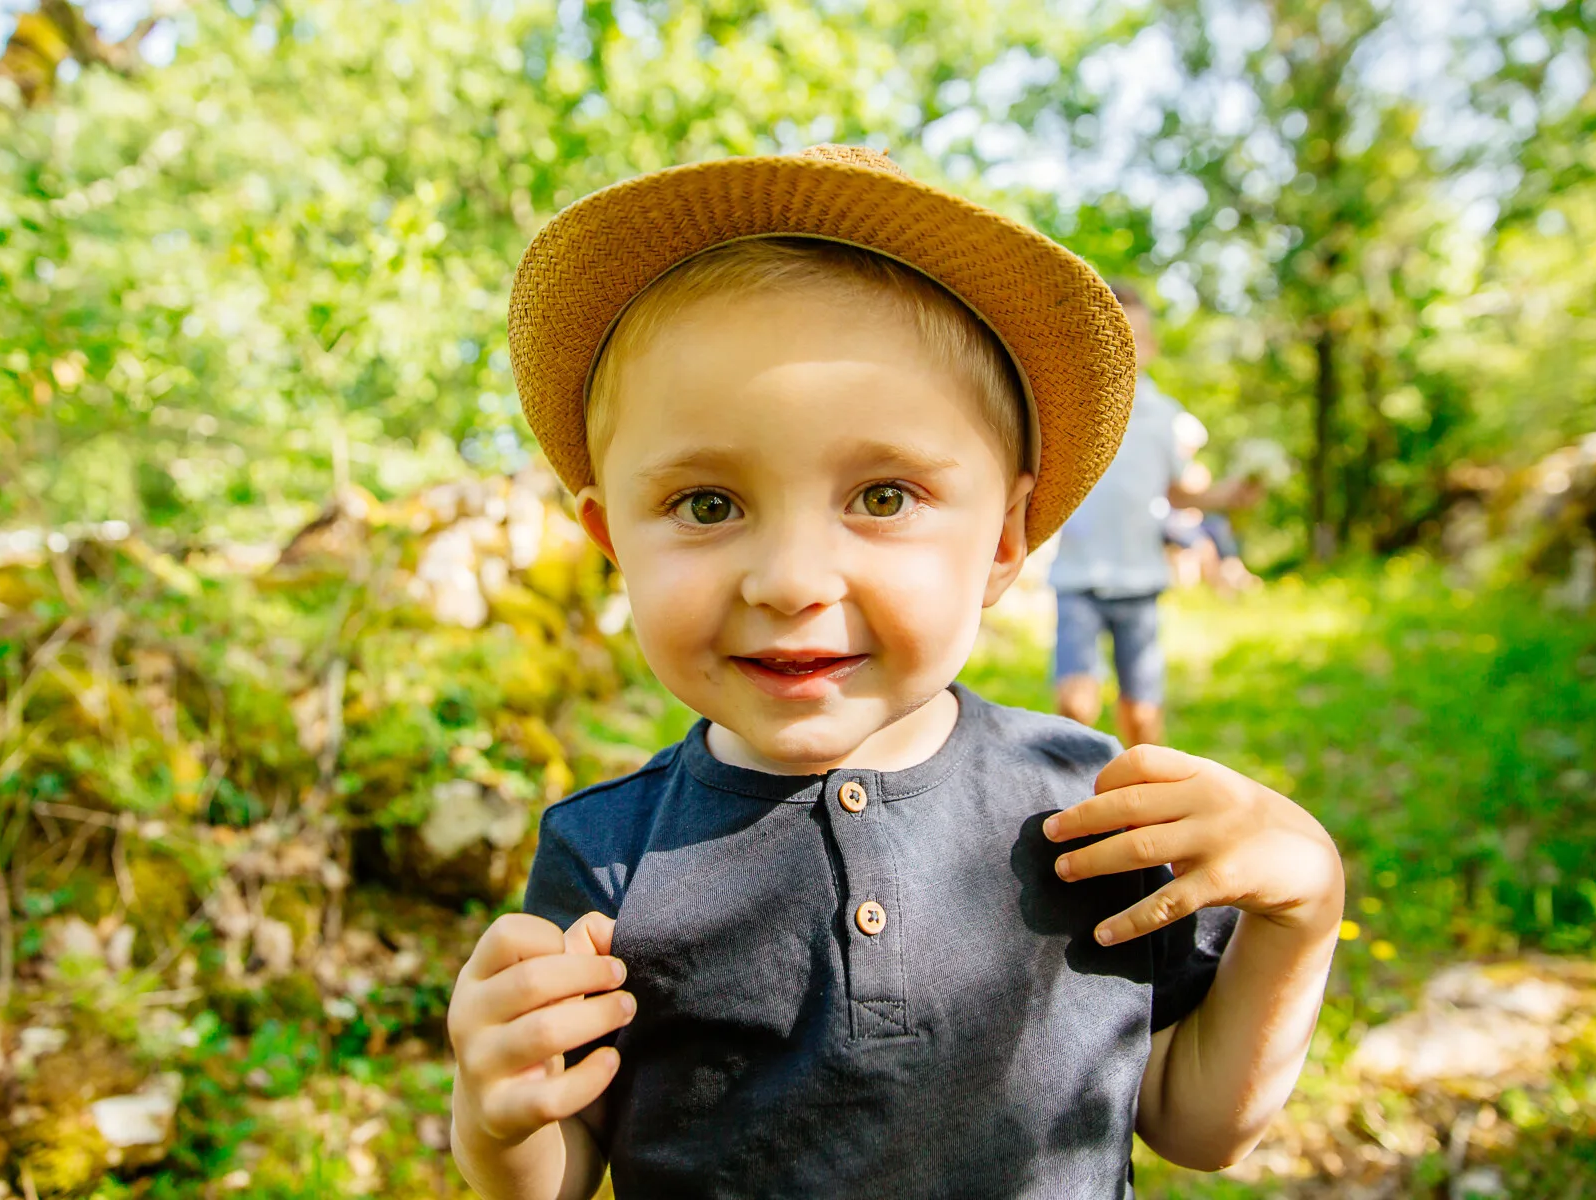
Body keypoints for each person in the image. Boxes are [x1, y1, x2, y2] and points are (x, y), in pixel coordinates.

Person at [444, 145, 1343, 1200]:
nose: (789, 582)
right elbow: (560, 1167)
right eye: (705, 505)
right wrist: (498, 1115)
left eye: (881, 497)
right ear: (610, 538)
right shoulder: (609, 857)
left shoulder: (1093, 813)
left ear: (1005, 538)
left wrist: (1302, 915)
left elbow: (1197, 1124)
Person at [1048, 284, 1258, 746]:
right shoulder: (1069, 408)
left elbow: (1179, 493)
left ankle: (1145, 808)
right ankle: (1074, 804)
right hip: (1078, 578)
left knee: (1143, 718)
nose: (1123, 346)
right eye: (1111, 334)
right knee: (1075, 706)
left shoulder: (1163, 417)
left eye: (1135, 337)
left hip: (1139, 583)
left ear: (1152, 348)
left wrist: (1229, 495)